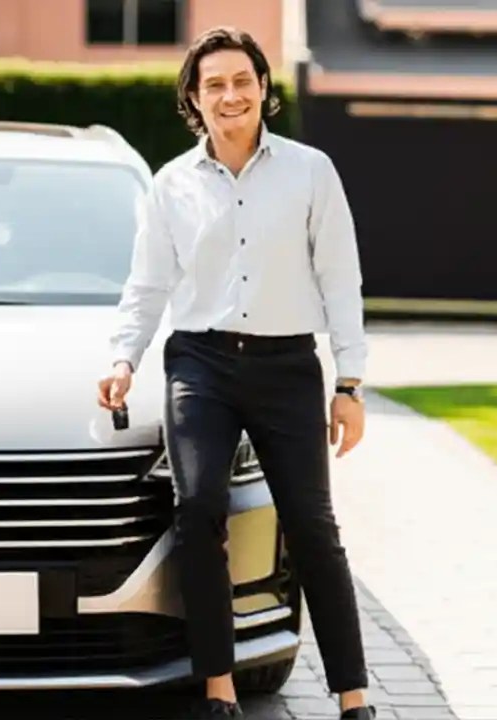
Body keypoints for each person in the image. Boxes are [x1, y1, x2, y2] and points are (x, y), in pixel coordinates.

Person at [97, 26, 374, 720]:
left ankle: (354, 697)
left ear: (262, 90)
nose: (230, 95)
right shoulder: (170, 185)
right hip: (201, 366)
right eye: (214, 84)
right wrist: (123, 358)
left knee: (312, 527)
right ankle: (218, 688)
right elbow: (147, 285)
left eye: (241, 82)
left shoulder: (311, 171)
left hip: (286, 368)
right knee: (198, 513)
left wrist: (349, 384)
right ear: (195, 97)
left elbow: (341, 279)